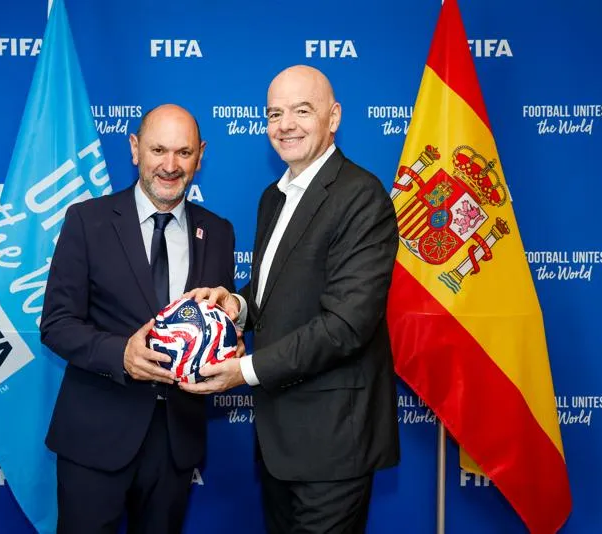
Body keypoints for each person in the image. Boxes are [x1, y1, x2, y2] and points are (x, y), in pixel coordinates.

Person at [182, 65, 400, 533]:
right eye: (274, 113)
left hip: (334, 443)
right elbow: (272, 295)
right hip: (280, 440)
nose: (285, 125)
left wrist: (242, 371)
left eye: (302, 111)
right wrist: (235, 306)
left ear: (333, 116)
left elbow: (346, 325)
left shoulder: (361, 196)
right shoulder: (273, 197)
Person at [40, 104, 237, 534]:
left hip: (175, 444)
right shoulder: (87, 221)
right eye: (158, 150)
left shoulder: (219, 232)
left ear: (200, 155)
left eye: (184, 153)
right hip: (96, 438)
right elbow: (56, 323)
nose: (170, 166)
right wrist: (121, 354)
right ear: (134, 149)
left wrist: (231, 338)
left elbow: (219, 321)